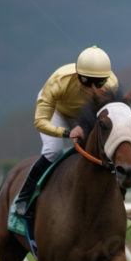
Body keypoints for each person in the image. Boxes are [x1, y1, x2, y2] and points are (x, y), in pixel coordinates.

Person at [15, 46, 119, 219]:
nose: (93, 88)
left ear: (106, 79)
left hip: (84, 112)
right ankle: (23, 197)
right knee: (53, 151)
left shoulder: (111, 85)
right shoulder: (59, 81)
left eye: (98, 83)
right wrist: (67, 132)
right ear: (79, 76)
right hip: (57, 110)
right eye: (88, 81)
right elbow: (40, 121)